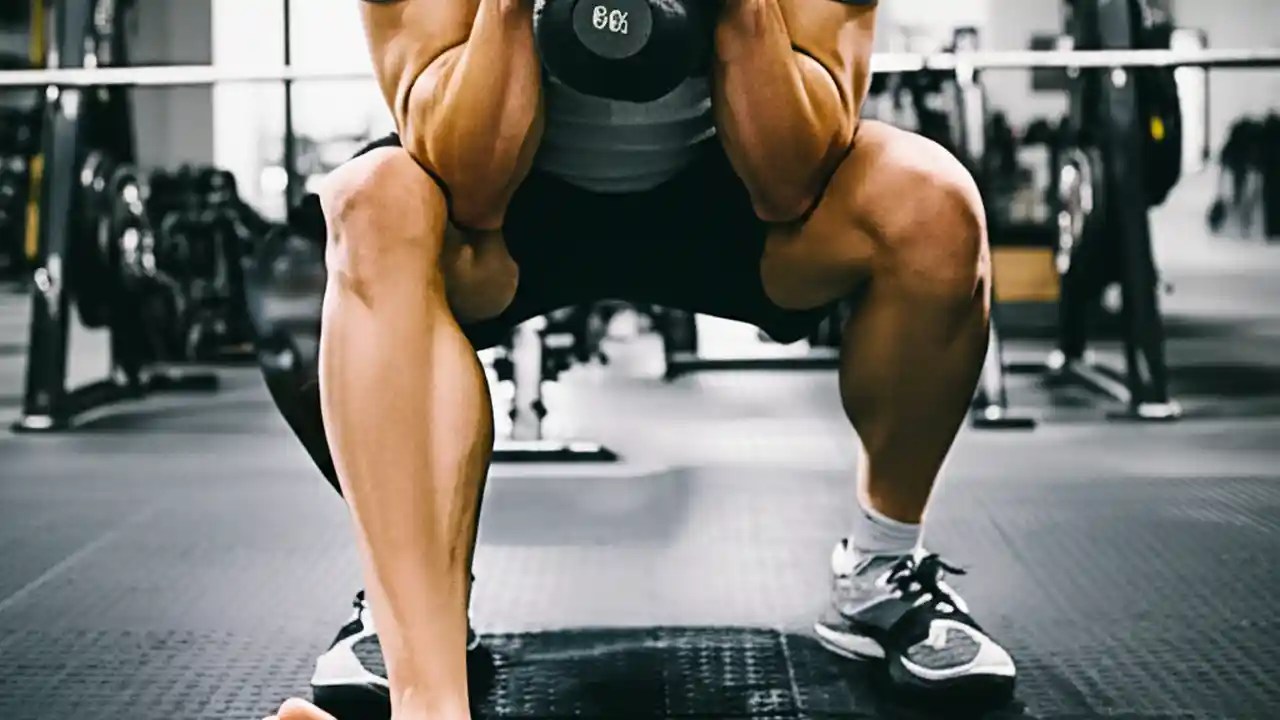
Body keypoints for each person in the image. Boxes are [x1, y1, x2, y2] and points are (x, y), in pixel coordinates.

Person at [263, 1, 1015, 718]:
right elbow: (469, 185)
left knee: (931, 203)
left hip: (741, 198)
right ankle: (419, 635)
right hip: (505, 213)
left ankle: (880, 573)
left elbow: (793, 184)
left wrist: (742, 7)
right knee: (371, 200)